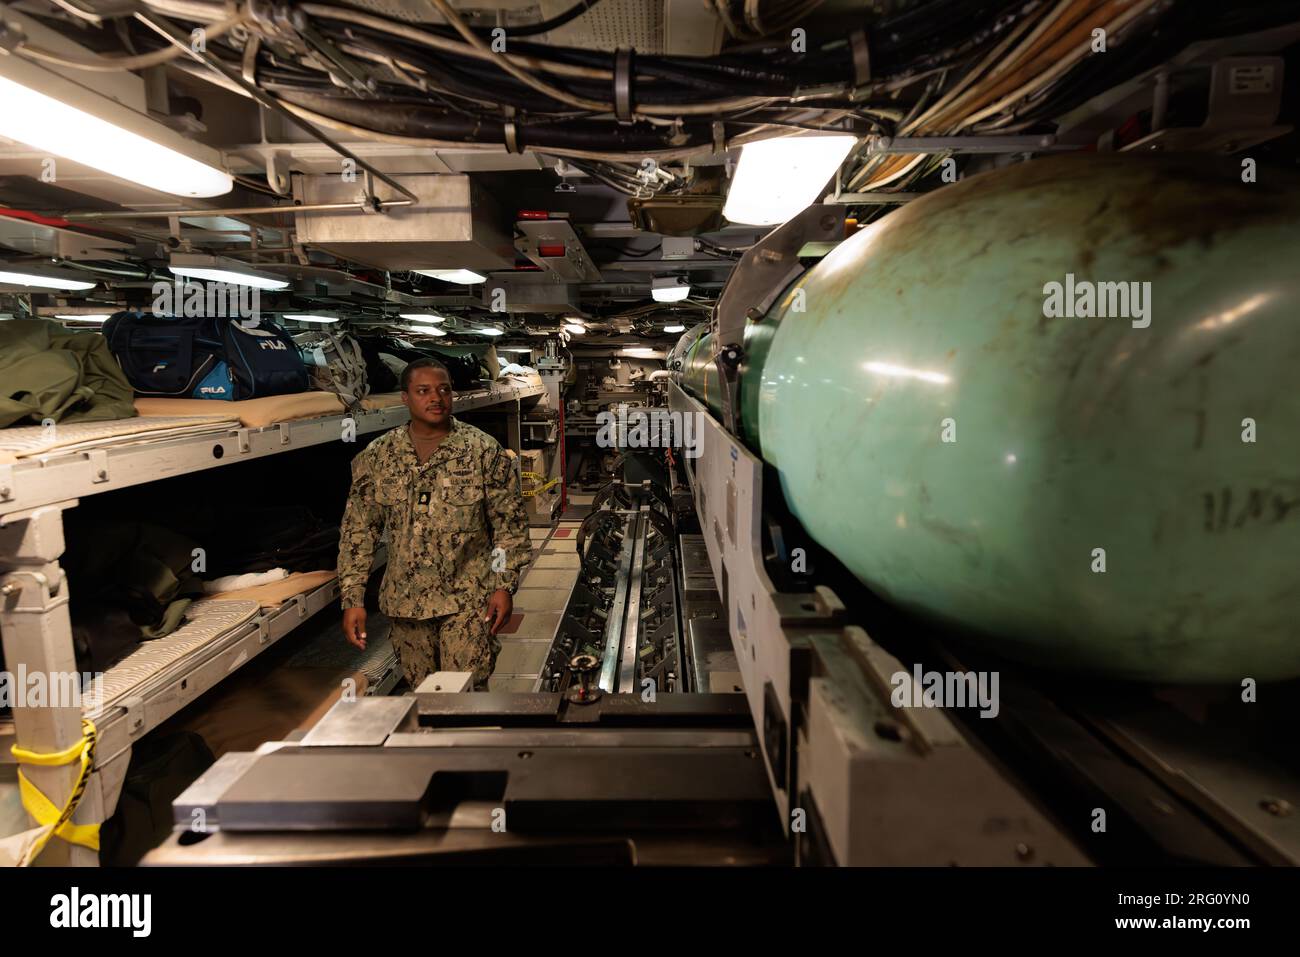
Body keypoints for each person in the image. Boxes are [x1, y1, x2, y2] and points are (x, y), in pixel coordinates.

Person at [337, 357, 529, 689]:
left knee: (465, 691)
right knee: (423, 695)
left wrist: (503, 585)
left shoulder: (482, 450)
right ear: (405, 397)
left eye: (443, 390)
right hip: (406, 603)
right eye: (423, 390)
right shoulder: (378, 457)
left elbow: (508, 526)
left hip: (469, 599)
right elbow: (358, 531)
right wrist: (352, 598)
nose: (435, 398)